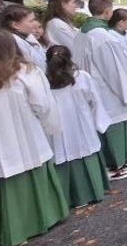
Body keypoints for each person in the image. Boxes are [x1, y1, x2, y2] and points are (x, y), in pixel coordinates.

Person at [0, 29, 69, 246]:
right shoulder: (26, 72)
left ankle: (14, 227)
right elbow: (42, 104)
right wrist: (48, 126)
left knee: (5, 171)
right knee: (33, 163)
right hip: (25, 131)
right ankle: (45, 216)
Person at [75, 0, 127, 177]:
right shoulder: (101, 36)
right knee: (112, 126)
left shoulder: (83, 32)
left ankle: (115, 164)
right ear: (108, 11)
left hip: (91, 86)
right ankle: (114, 165)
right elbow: (112, 69)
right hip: (106, 90)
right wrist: (126, 92)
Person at [45, 45, 113, 205]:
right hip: (81, 125)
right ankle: (94, 190)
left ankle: (71, 198)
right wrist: (100, 123)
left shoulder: (45, 82)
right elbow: (94, 100)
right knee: (85, 149)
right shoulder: (81, 77)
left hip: (57, 130)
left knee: (63, 154)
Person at [1, 4, 47, 70]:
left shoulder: (28, 36)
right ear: (16, 25)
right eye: (31, 21)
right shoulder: (13, 42)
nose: (35, 24)